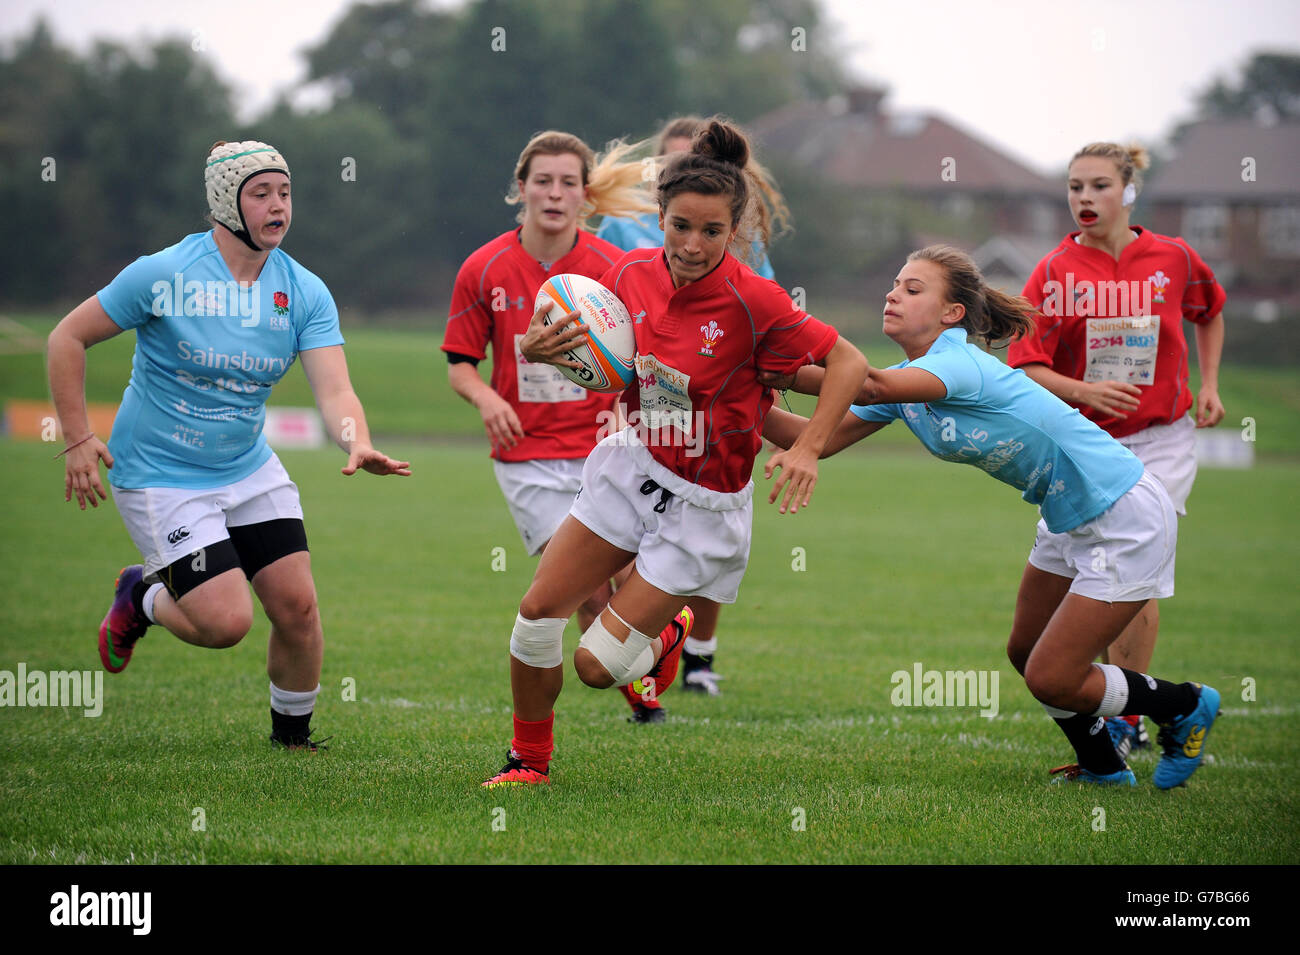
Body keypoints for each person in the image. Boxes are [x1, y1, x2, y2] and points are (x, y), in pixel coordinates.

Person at [482, 118, 868, 786]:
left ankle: (672, 629)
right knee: (535, 619)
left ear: (734, 230)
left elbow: (849, 361)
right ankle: (528, 763)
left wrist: (808, 448)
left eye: (711, 231)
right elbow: (605, 359)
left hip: (704, 507)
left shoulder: (756, 300)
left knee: (596, 668)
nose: (692, 244)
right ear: (659, 216)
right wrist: (538, 349)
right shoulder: (629, 273)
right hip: (634, 467)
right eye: (680, 226)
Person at [763, 245, 1220, 788]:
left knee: (1052, 676)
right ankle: (1103, 767)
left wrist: (767, 365)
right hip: (1067, 516)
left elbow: (864, 382)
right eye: (895, 284)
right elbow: (818, 437)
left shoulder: (957, 363)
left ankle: (1185, 704)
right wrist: (739, 396)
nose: (893, 294)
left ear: (952, 313)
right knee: (1026, 652)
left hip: (1122, 512)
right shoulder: (907, 380)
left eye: (912, 289)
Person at [48, 140, 410, 750]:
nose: (278, 206)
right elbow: (66, 338)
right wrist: (78, 438)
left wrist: (358, 440)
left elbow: (335, 389)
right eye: (261, 194)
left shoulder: (303, 290)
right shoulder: (165, 274)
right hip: (160, 473)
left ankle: (292, 741)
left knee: (297, 607)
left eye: (285, 193)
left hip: (246, 467)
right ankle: (141, 595)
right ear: (225, 202)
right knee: (225, 624)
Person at [444, 130, 688, 725]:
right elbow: (459, 364)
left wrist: (627, 408)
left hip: (604, 448)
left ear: (585, 194)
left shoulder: (611, 268)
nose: (555, 193)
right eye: (543, 181)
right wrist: (486, 399)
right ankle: (644, 686)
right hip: (526, 455)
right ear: (521, 188)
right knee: (583, 586)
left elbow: (646, 355)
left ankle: (656, 649)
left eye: (568, 183)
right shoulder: (483, 267)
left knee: (626, 577)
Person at [1007, 142, 1226, 758]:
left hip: (1161, 440)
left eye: (1099, 185)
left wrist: (1210, 384)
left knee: (1134, 569)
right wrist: (1084, 391)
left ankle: (1127, 722)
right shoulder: (1053, 272)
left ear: (1129, 191)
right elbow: (1025, 365)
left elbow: (1209, 312)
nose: (1084, 197)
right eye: (1075, 186)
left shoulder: (1174, 257)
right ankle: (1127, 704)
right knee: (1064, 601)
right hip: (1086, 447)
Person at [596, 116, 793, 697]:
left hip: (716, 401)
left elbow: (765, 315)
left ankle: (697, 655)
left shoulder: (742, 242)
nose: (691, 242)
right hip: (647, 400)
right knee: (636, 538)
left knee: (701, 523)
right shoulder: (626, 231)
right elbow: (611, 309)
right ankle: (652, 634)